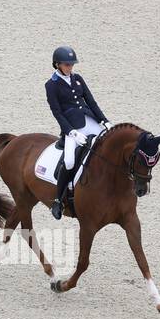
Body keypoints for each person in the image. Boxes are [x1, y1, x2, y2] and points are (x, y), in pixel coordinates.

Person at [45, 46, 112, 220]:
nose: (70, 67)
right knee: (68, 161)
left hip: (90, 121)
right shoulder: (51, 85)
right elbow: (57, 112)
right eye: (67, 64)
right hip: (72, 127)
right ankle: (58, 200)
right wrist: (71, 132)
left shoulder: (78, 79)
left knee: (108, 147)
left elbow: (91, 101)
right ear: (57, 64)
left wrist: (105, 121)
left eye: (71, 64)